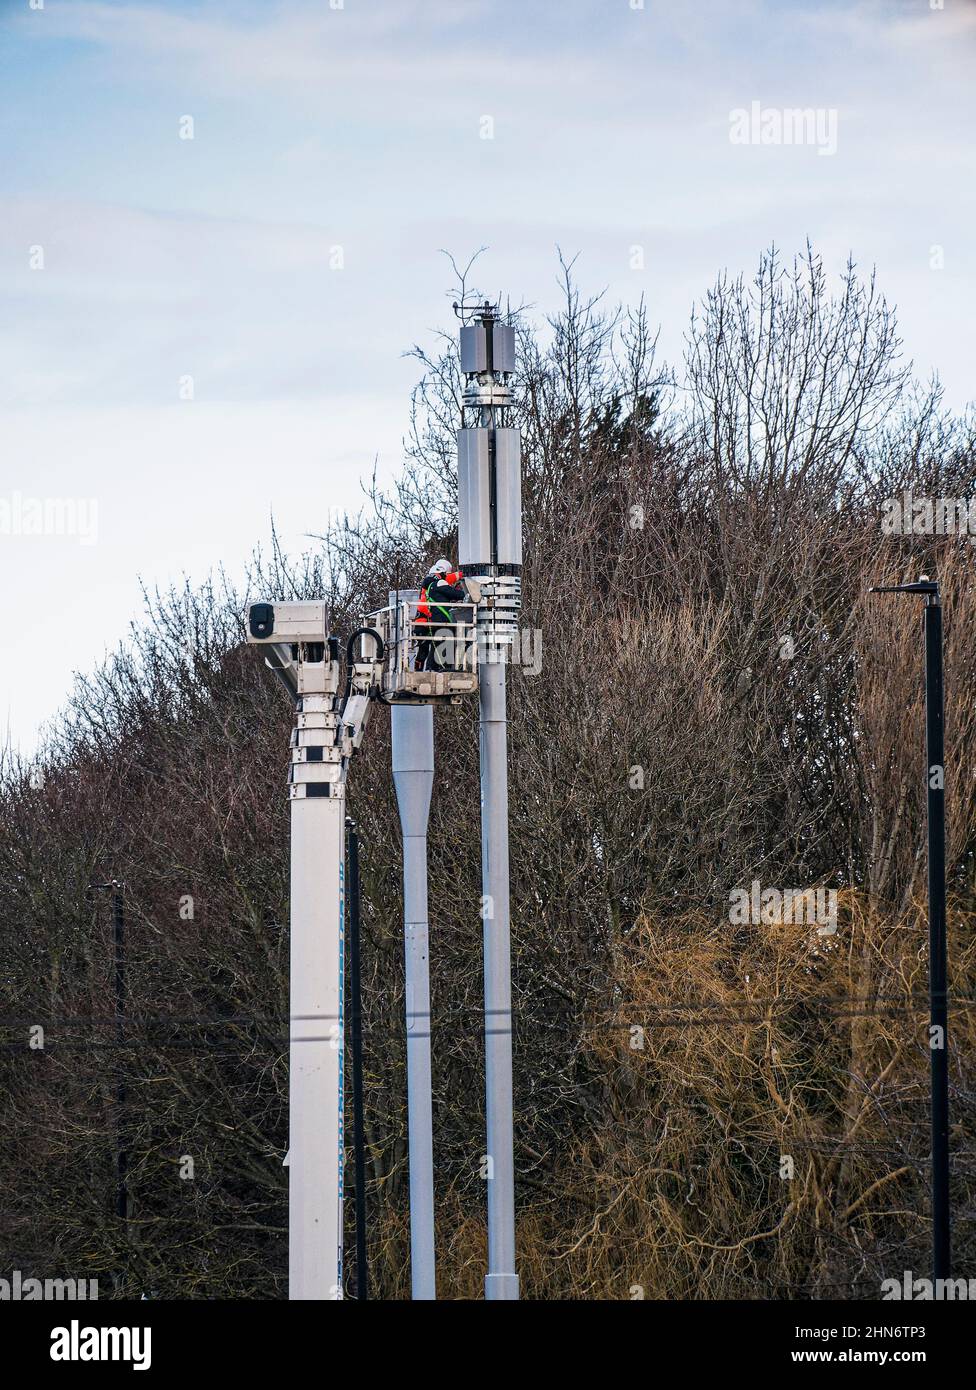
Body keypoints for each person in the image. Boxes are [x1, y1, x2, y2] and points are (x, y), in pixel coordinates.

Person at [415, 558, 467, 670]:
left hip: (425, 620)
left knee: (430, 648)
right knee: (440, 645)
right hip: (431, 621)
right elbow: (452, 590)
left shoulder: (428, 584)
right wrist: (462, 574)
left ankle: (426, 669)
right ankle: (438, 668)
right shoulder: (436, 582)